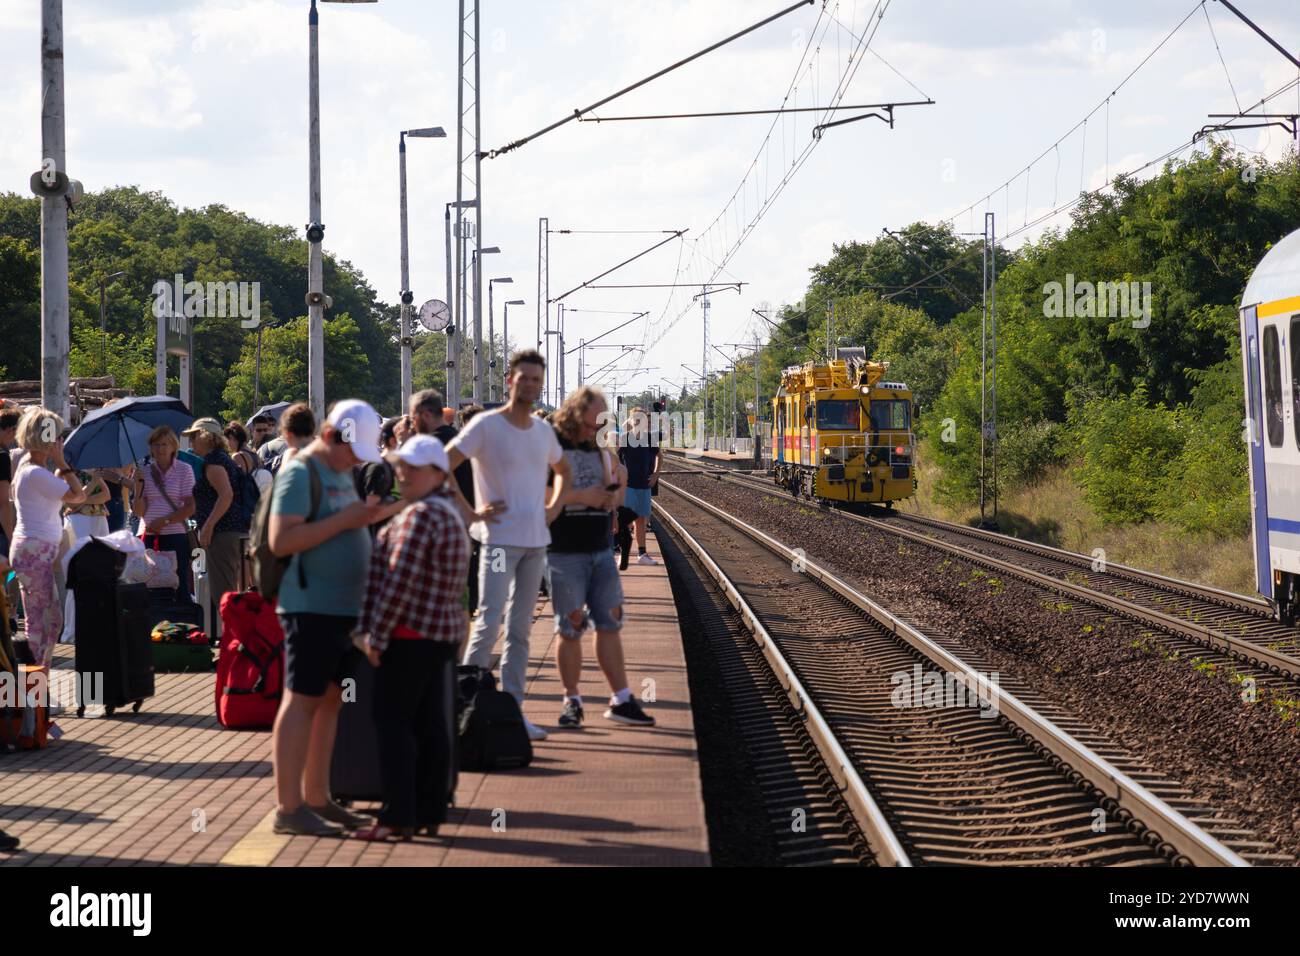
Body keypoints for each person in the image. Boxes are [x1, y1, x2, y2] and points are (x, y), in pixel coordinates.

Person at [267, 399, 392, 836]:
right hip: (310, 606)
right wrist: (346, 521)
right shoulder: (301, 472)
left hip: (341, 609)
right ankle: (289, 807)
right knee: (301, 700)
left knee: (330, 700)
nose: (358, 462)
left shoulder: (340, 469)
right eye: (354, 452)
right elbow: (282, 540)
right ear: (330, 436)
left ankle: (318, 798)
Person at [446, 350, 572, 742]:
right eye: (524, 378)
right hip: (499, 542)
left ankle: (512, 713)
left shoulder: (542, 431)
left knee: (520, 631)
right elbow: (443, 462)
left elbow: (563, 471)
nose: (530, 385)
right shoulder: (486, 426)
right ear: (509, 381)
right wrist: (471, 512)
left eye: (537, 379)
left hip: (535, 543)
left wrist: (553, 508)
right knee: (488, 621)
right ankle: (461, 709)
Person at [354, 435, 470, 841]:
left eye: (411, 467)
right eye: (401, 465)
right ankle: (429, 807)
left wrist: (375, 637)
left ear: (437, 473)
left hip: (407, 636)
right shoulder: (448, 512)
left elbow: (398, 583)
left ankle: (398, 814)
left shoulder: (420, 516)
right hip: (438, 636)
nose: (401, 472)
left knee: (393, 723)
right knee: (430, 724)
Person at [546, 387, 655, 728]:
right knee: (571, 627)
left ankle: (621, 698)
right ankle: (571, 700)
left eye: (603, 415)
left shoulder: (603, 454)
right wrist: (583, 495)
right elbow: (543, 501)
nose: (600, 422)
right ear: (575, 413)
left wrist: (615, 492)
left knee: (610, 623)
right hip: (564, 551)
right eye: (595, 415)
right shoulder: (554, 452)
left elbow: (613, 498)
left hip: (600, 550)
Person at [9, 408, 85, 667]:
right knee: (41, 622)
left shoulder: (28, 468)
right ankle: (34, 694)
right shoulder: (35, 472)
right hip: (34, 551)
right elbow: (78, 496)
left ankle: (38, 690)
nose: (59, 441)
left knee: (49, 620)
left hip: (33, 549)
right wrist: (62, 462)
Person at [184, 418, 251, 628]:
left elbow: (226, 495)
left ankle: (235, 643)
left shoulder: (214, 462)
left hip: (222, 534)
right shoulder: (223, 459)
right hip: (233, 532)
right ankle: (235, 641)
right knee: (229, 592)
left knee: (224, 594)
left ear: (206, 437)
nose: (191, 442)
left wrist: (208, 526)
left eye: (194, 436)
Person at [132, 426, 195, 603]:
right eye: (156, 445)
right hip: (148, 536)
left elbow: (190, 506)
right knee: (149, 583)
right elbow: (138, 511)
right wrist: (137, 488)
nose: (160, 449)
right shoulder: (143, 472)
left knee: (178, 582)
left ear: (173, 447)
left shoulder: (185, 470)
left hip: (175, 535)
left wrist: (165, 520)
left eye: (164, 444)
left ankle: (181, 622)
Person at [618, 408, 661, 567]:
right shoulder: (625, 438)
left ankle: (642, 554)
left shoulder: (649, 439)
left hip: (644, 485)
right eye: (635, 419)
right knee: (625, 522)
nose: (638, 422)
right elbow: (614, 457)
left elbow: (659, 456)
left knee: (641, 521)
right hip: (628, 486)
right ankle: (623, 554)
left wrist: (656, 474)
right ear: (630, 421)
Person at [63, 468, 111, 540]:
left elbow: (106, 495)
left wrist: (81, 501)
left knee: (104, 550)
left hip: (100, 518)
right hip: (78, 519)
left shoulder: (92, 472)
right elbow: (71, 504)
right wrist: (92, 484)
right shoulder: (66, 473)